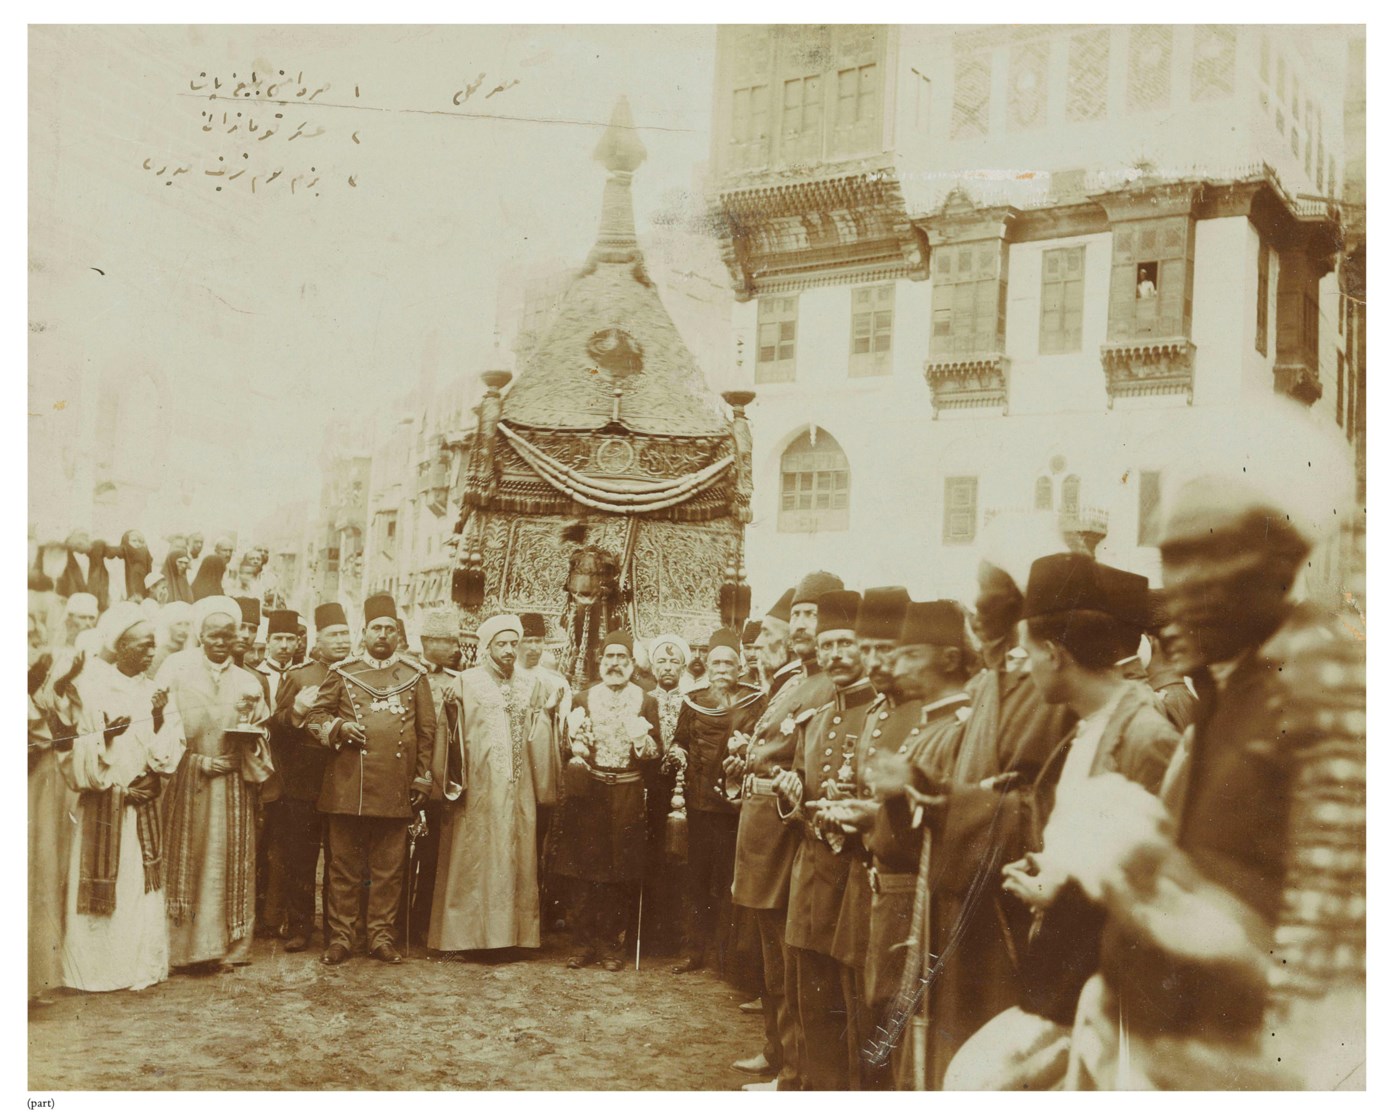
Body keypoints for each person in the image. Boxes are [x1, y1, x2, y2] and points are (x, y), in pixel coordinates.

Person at [1064, 468, 1365, 1090]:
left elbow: (1319, 958)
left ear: (1278, 566)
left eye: (1214, 558)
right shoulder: (1235, 679)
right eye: (1176, 561)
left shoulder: (1320, 686)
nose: (1187, 586)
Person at [943, 554, 1178, 1089]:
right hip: (1073, 979)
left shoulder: (1145, 737)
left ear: (1055, 654)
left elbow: (1165, 894)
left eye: (1027, 654)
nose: (1022, 667)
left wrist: (1064, 895)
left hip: (1113, 1002)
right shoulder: (1085, 731)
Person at [902, 513, 1077, 1088]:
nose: (977, 609)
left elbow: (1042, 801)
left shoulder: (1046, 687)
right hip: (966, 895)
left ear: (1023, 604)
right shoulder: (989, 683)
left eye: (991, 596)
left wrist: (959, 803)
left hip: (1010, 903)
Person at [725, 574, 839, 1090]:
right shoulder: (796, 681)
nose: (799, 624)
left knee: (787, 959)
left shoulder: (826, 684)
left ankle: (792, 1066)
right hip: (761, 833)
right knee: (772, 954)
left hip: (784, 834)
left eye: (810, 615)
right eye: (796, 614)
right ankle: (776, 1051)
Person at [857, 600, 974, 1089]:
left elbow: (951, 822)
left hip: (918, 895)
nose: (894, 665)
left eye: (909, 655)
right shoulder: (929, 725)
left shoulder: (958, 728)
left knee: (903, 1017)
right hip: (896, 888)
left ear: (948, 660)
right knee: (887, 1012)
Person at [773, 589, 873, 1091]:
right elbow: (796, 792)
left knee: (851, 1001)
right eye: (828, 645)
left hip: (852, 878)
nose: (834, 655)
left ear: (866, 648)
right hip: (809, 876)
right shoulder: (814, 719)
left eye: (845, 644)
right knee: (808, 996)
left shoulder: (876, 714)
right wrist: (791, 798)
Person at [59, 603, 185, 992]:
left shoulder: (155, 692)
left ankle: (136, 969)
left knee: (139, 888)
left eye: (153, 647)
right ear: (120, 646)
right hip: (103, 805)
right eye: (144, 646)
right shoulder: (92, 689)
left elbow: (172, 748)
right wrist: (106, 738)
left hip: (141, 805)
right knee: (104, 889)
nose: (151, 654)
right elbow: (73, 756)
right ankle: (96, 973)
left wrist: (160, 720)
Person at [307, 593, 435, 966]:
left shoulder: (415, 676)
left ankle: (381, 936)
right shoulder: (343, 672)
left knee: (388, 871)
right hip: (348, 786)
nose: (382, 635)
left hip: (396, 788)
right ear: (364, 633)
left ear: (398, 635)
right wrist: (339, 727)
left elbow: (426, 731)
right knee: (344, 869)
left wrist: (422, 779)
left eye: (389, 630)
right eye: (376, 629)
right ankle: (342, 938)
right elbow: (315, 717)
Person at [821, 585, 910, 1091]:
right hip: (862, 878)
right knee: (859, 1006)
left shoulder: (920, 714)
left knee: (889, 1017)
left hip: (896, 887)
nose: (875, 661)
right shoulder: (879, 712)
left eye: (884, 650)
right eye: (868, 648)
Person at [157, 595, 275, 971]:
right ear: (201, 635)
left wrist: (247, 746)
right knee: (187, 857)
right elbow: (161, 728)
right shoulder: (176, 672)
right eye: (213, 635)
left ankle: (227, 948)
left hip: (232, 786)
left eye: (228, 634)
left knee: (226, 860)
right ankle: (181, 951)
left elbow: (259, 734)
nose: (221, 642)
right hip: (186, 781)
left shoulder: (248, 681)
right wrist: (197, 762)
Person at [430, 614, 551, 955]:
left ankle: (514, 938)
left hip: (519, 787)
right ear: (487, 647)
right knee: (475, 856)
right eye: (502, 644)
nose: (510, 650)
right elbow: (450, 737)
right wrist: (450, 783)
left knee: (516, 854)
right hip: (478, 788)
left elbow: (539, 736)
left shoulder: (532, 684)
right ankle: (469, 939)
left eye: (514, 643)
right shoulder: (466, 683)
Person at [553, 630, 662, 971]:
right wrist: (576, 749)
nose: (615, 664)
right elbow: (570, 745)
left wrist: (643, 741)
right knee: (586, 868)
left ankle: (611, 945)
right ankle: (583, 944)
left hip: (627, 791)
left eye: (622, 658)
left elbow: (654, 754)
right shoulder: (583, 697)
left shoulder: (646, 701)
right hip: (592, 792)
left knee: (620, 871)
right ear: (600, 662)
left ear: (632, 664)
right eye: (609, 657)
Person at [667, 628, 765, 976]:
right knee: (695, 878)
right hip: (696, 804)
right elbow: (679, 740)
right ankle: (695, 951)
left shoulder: (755, 700)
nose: (722, 669)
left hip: (733, 808)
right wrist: (677, 754)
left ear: (740, 668)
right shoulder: (692, 701)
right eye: (716, 663)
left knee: (728, 881)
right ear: (707, 666)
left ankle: (726, 957)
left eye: (729, 663)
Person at [270, 603, 353, 953]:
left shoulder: (358, 673)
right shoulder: (300, 676)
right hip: (304, 782)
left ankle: (339, 931)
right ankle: (300, 927)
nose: (342, 641)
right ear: (316, 640)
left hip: (347, 780)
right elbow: (276, 730)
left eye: (346, 634)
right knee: (301, 858)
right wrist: (298, 712)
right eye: (334, 634)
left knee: (342, 860)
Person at [403, 608, 460, 950]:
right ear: (426, 641)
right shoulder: (406, 673)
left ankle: (421, 921)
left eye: (453, 639)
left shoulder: (456, 682)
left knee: (432, 856)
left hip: (438, 783)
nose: (453, 646)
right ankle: (393, 923)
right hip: (405, 774)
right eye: (445, 640)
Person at [149, 601, 193, 678]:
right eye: (178, 624)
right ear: (168, 626)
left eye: (187, 624)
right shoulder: (158, 655)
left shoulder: (190, 653)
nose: (183, 629)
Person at [116, 530, 154, 603]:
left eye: (140, 542)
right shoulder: (118, 561)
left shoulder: (145, 561)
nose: (137, 544)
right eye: (134, 541)